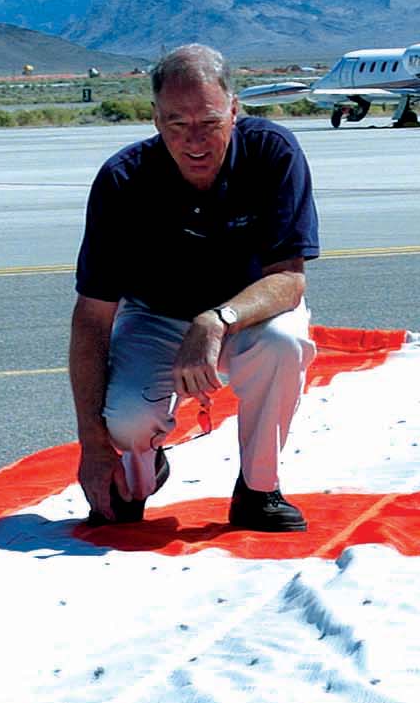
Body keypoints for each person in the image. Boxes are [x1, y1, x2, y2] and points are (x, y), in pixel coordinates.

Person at [69, 43, 321, 533]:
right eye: (176, 125)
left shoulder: (273, 153)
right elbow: (93, 317)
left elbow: (289, 280)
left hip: (246, 316)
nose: (194, 142)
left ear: (234, 108)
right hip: (157, 316)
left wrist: (214, 320)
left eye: (209, 122)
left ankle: (258, 489)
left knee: (284, 344)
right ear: (155, 119)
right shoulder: (122, 181)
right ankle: (141, 470)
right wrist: (93, 444)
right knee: (127, 423)